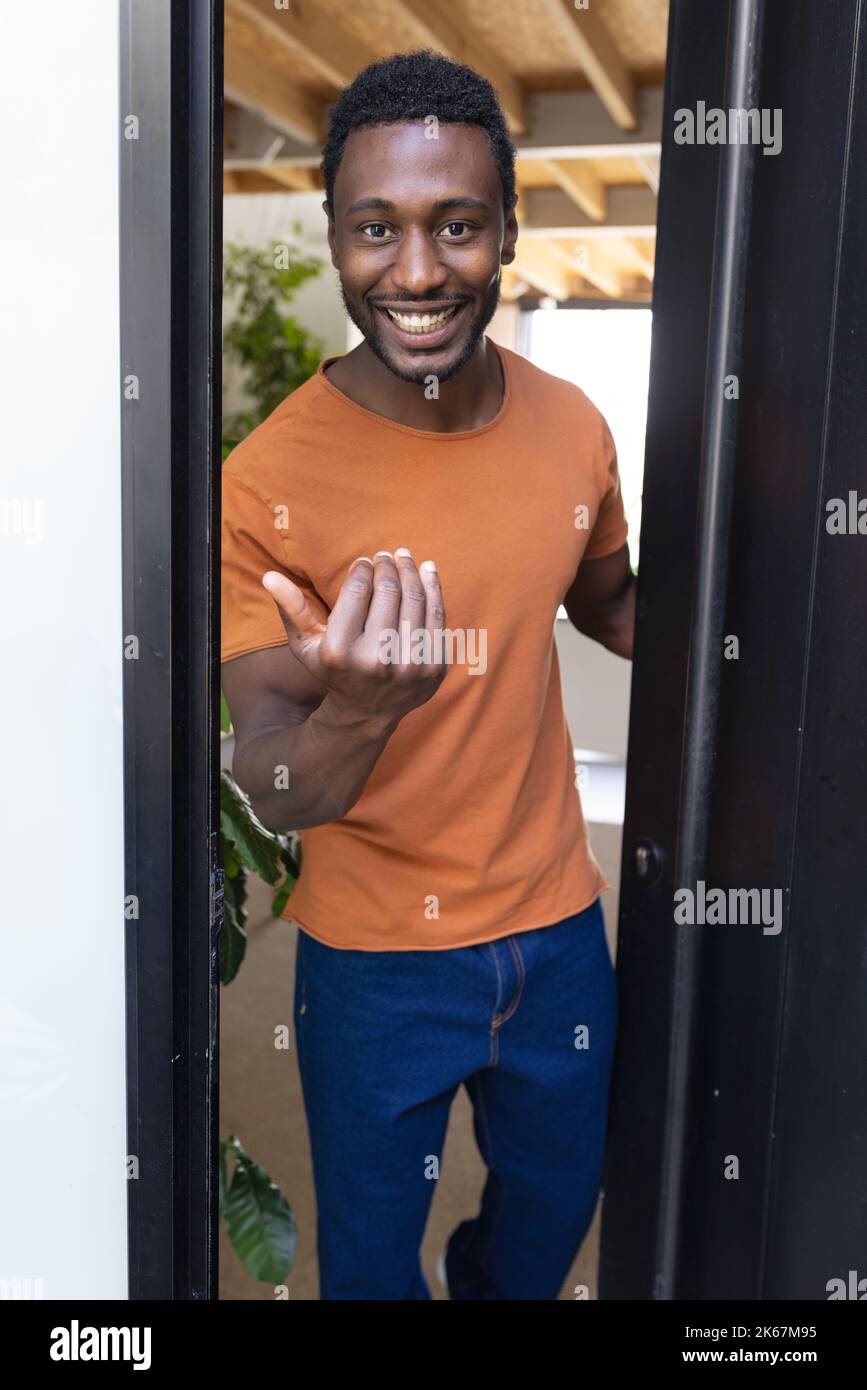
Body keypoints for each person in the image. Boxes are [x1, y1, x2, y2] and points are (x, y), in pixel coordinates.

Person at [221, 49, 636, 1301]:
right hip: (374, 962)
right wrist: (361, 705)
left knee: (554, 1215)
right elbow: (273, 780)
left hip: (559, 924)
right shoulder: (268, 480)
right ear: (338, 240)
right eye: (374, 229)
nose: (415, 270)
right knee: (367, 1260)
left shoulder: (574, 426)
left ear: (506, 231)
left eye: (456, 224)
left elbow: (612, 604)